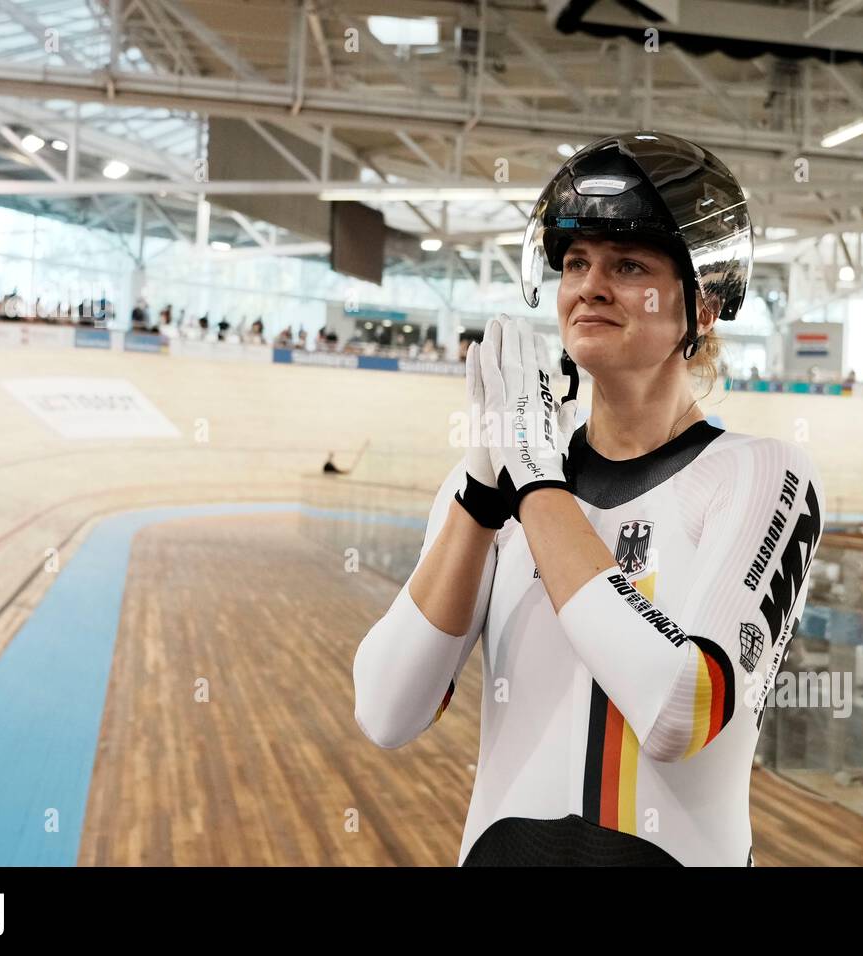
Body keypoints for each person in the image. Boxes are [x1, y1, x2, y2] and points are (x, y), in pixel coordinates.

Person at [352, 131, 824, 867]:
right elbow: (385, 712)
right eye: (576, 262)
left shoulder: (759, 475)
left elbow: (684, 711)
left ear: (702, 310)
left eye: (628, 264)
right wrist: (482, 494)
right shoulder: (492, 484)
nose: (590, 286)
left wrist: (537, 485)